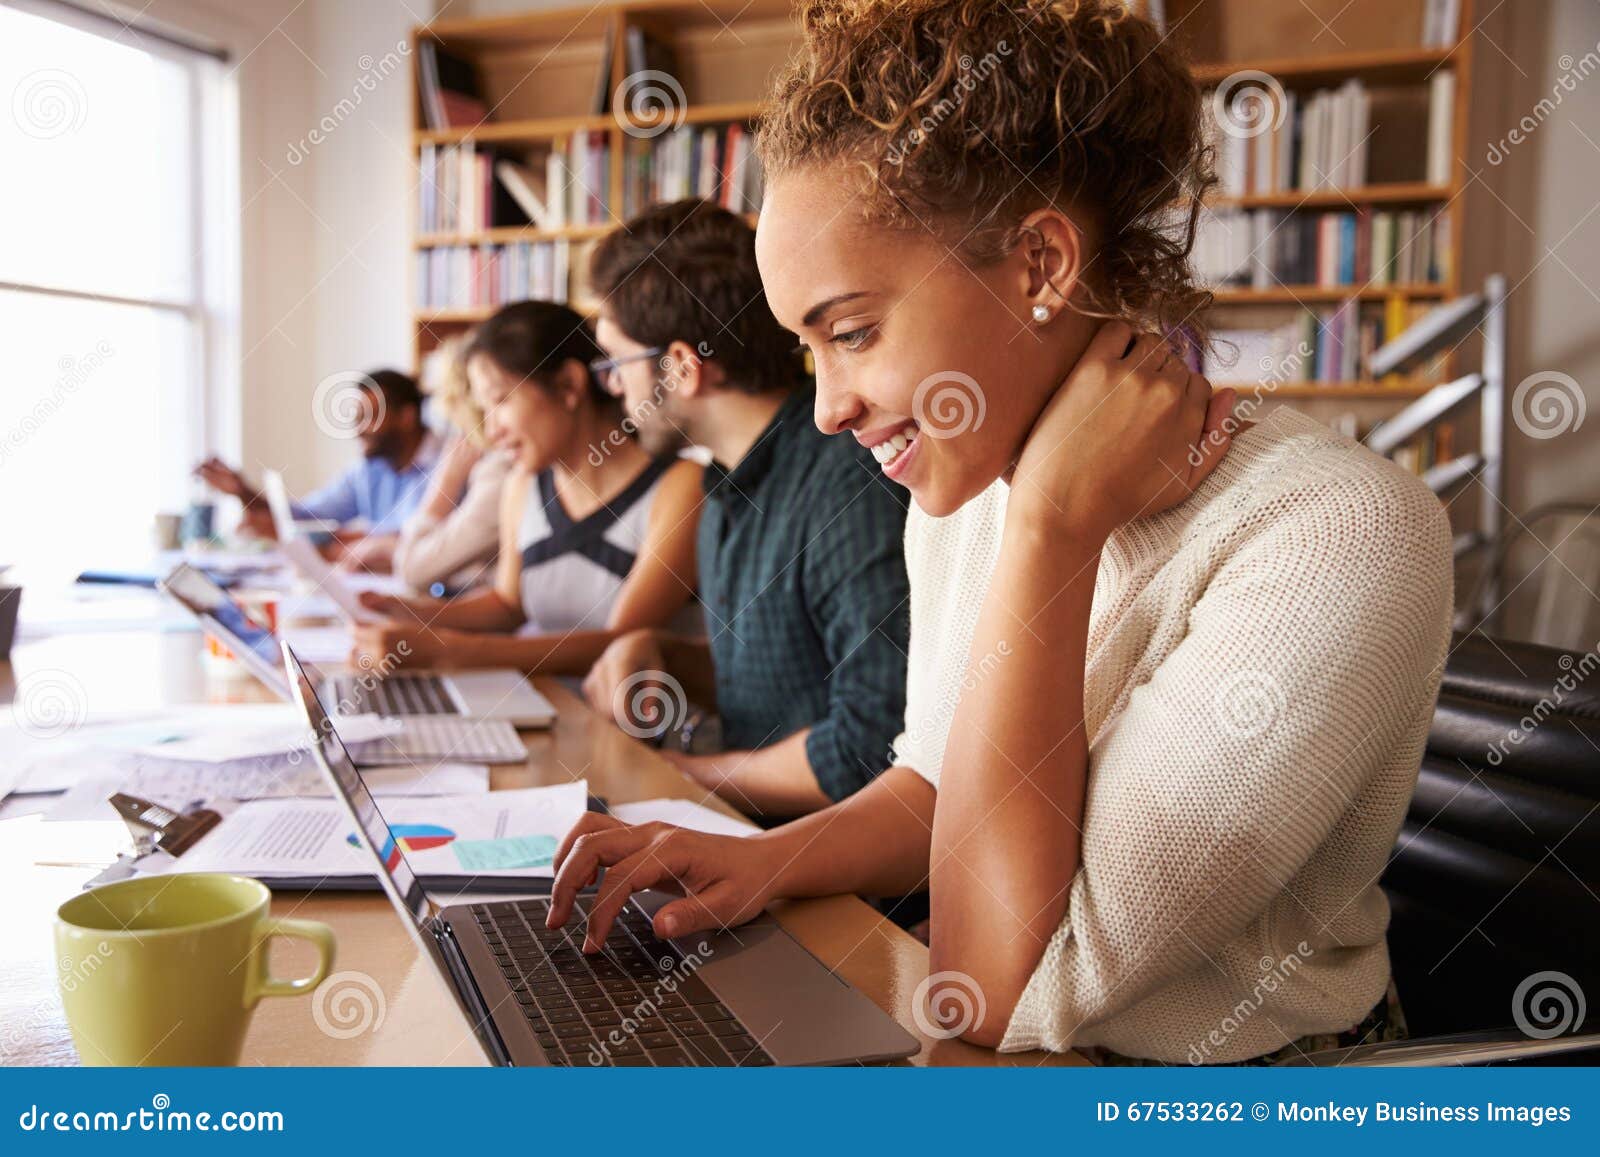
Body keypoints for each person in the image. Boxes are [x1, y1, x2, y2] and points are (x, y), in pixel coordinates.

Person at [544, 0, 1454, 1066]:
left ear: (1039, 264)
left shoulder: (1331, 531)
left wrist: (1051, 530)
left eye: (852, 331)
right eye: (809, 348)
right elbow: (933, 783)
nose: (828, 406)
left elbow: (989, 985)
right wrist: (761, 858)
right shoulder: (967, 486)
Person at [579, 198, 912, 820]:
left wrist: (680, 776)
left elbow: (871, 748)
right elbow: (790, 677)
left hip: (845, 892)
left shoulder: (850, 479)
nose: (614, 387)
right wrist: (664, 652)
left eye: (615, 363)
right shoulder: (722, 483)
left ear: (681, 367)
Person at [350, 300, 703, 678]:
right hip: (551, 709)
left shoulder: (680, 486)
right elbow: (508, 606)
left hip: (634, 728)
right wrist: (410, 615)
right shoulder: (523, 486)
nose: (491, 429)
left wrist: (449, 651)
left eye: (501, 400)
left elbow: (619, 644)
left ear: (569, 385)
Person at [195, 368, 439, 571]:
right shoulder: (369, 469)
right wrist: (244, 492)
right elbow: (308, 517)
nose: (358, 429)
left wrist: (325, 542)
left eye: (369, 417)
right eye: (356, 418)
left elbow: (414, 539)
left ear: (406, 417)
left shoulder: (444, 463)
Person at [392, 334, 513, 593]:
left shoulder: (500, 468)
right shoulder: (488, 463)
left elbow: (413, 569)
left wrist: (444, 486)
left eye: (445, 397)